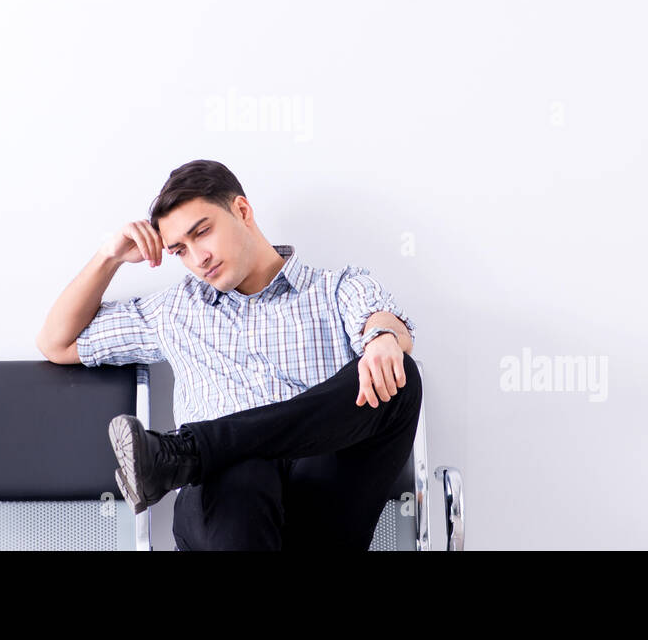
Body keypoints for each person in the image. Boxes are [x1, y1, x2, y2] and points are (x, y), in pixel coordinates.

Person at [36, 158, 422, 550]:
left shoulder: (332, 288)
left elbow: (383, 323)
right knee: (244, 472)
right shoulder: (173, 311)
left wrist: (382, 337)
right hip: (228, 506)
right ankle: (204, 455)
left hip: (320, 502)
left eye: (202, 233)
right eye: (180, 251)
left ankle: (187, 452)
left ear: (241, 210)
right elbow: (58, 343)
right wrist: (109, 256)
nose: (197, 258)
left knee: (401, 373)